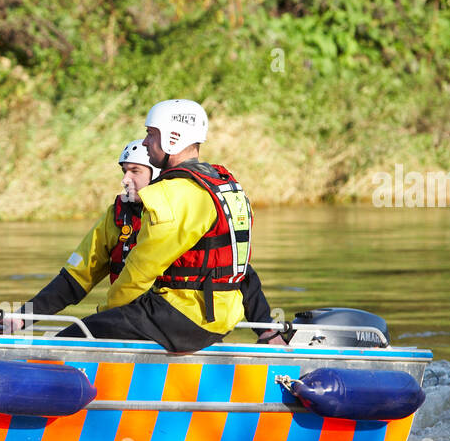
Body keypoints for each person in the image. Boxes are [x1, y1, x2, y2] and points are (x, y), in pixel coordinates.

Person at [19, 131, 282, 346]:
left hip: (171, 322)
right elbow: (76, 278)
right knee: (76, 333)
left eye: (135, 171)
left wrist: (267, 330)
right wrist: (23, 317)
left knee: (82, 333)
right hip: (131, 320)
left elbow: (239, 272)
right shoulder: (116, 216)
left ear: (158, 177)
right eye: (124, 171)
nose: (125, 180)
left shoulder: (181, 211)